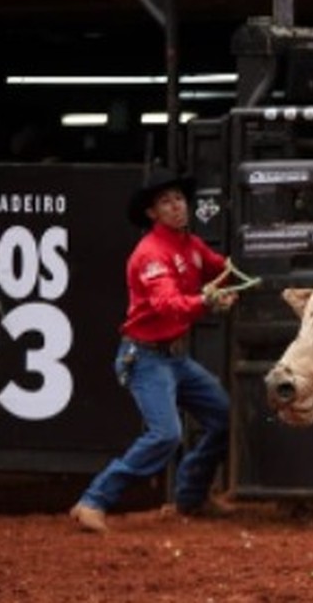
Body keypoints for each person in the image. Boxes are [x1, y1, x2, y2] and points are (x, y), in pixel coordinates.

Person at [69, 168, 236, 534]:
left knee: (223, 416)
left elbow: (220, 267)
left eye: (179, 198)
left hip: (173, 357)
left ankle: (191, 497)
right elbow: (168, 306)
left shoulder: (189, 245)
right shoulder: (151, 254)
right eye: (166, 202)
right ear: (152, 213)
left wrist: (232, 279)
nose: (177, 206)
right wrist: (208, 300)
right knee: (165, 434)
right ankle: (93, 501)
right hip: (145, 357)